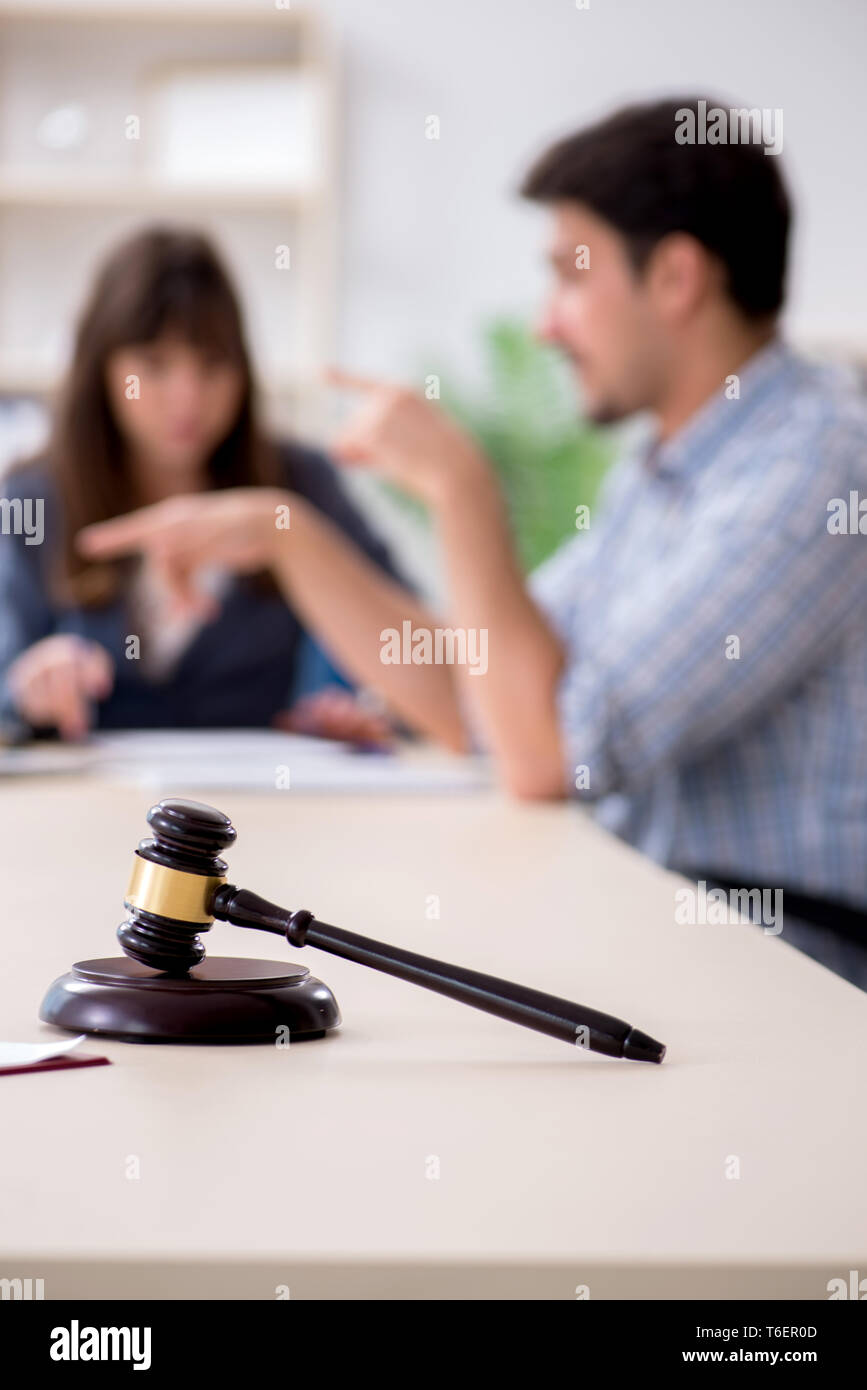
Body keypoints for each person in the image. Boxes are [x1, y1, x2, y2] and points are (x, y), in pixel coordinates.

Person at [74, 98, 867, 988]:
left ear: (676, 278)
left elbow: (546, 751)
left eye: (569, 275)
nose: (545, 324)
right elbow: (473, 695)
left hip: (785, 961)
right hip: (663, 919)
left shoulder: (820, 464)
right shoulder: (660, 473)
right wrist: (288, 538)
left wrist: (461, 490)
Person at [0, 227, 400, 742]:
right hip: (83, 809)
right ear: (102, 369)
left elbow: (405, 643)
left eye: (213, 364)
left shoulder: (296, 486)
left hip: (265, 810)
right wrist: (28, 689)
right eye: (155, 365)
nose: (187, 397)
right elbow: (6, 686)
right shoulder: (33, 498)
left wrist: (364, 706)